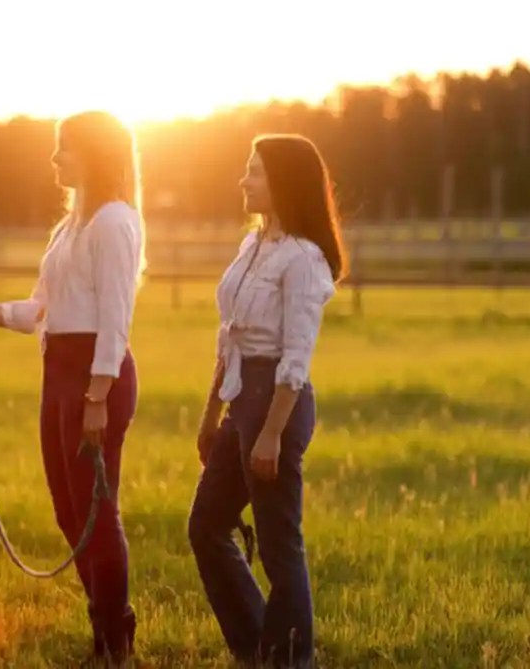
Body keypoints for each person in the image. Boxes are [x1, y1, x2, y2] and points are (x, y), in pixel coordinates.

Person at [0, 110, 146, 666]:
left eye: (66, 149)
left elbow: (115, 318)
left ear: (96, 155)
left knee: (97, 512)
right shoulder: (69, 228)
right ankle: (104, 622)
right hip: (58, 372)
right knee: (66, 509)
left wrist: (97, 396)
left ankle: (114, 637)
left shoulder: (114, 222)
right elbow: (36, 310)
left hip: (93, 377)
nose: (55, 159)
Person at [187, 134, 345, 668]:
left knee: (280, 548)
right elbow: (227, 335)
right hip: (240, 399)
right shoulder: (251, 247)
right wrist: (212, 413)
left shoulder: (303, 259)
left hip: (276, 405)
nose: (243, 181)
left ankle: (292, 659)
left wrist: (272, 433)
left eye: (253, 171)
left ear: (282, 182)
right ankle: (258, 645)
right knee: (206, 525)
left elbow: (296, 358)